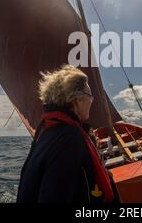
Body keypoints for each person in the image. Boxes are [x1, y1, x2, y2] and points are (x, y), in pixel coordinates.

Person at [17, 65, 114, 203]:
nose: (91, 102)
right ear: (77, 99)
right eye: (90, 96)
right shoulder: (69, 140)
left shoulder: (46, 132)